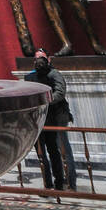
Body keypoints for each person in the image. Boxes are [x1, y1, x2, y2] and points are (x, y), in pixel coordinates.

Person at [25, 49, 77, 190]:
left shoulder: (54, 74)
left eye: (42, 58)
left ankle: (67, 182)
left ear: (48, 59)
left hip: (56, 116)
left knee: (59, 149)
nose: (39, 61)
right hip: (39, 118)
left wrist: (43, 101)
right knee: (44, 152)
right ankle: (49, 183)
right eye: (37, 59)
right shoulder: (30, 77)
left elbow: (59, 92)